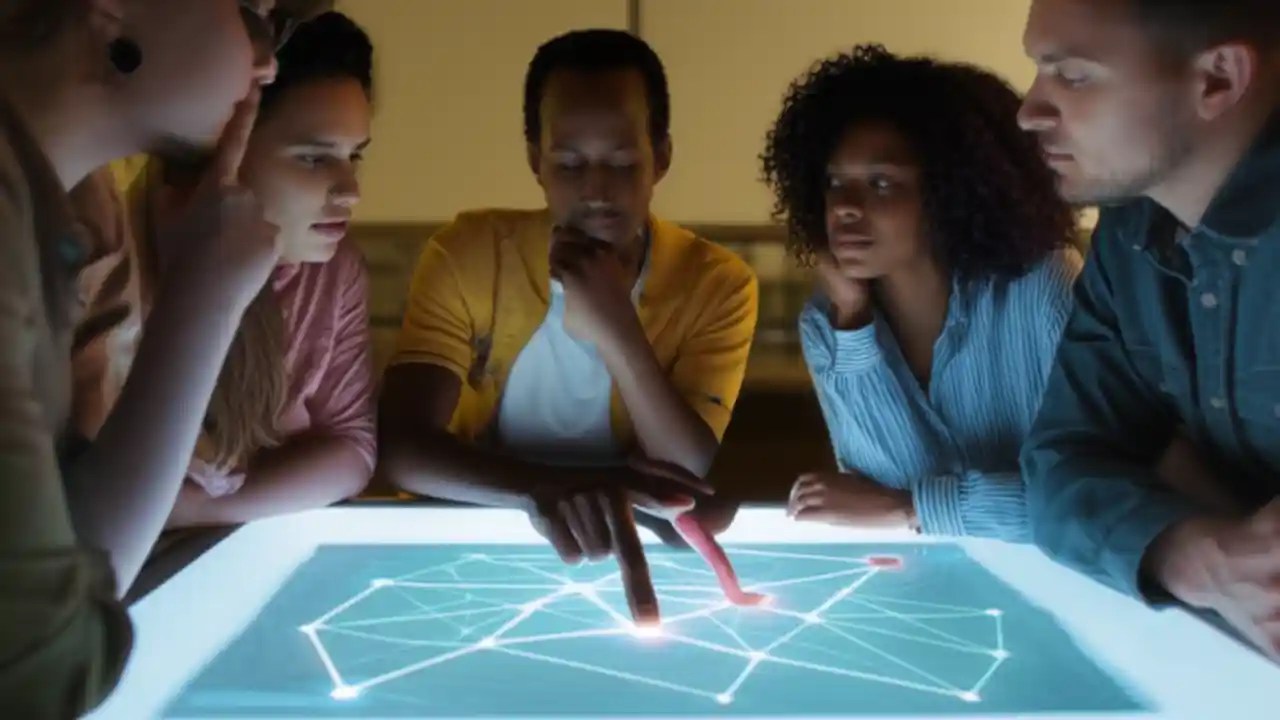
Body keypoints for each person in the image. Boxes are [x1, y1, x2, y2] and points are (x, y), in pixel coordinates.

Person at [378, 29, 759, 625]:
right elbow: (402, 450)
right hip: (470, 540)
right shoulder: (469, 253)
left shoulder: (717, 282)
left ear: (661, 155)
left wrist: (616, 324)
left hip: (614, 547)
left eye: (623, 161)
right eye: (569, 162)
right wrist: (545, 489)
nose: (596, 190)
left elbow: (687, 465)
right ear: (535, 159)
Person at [0, 0, 291, 714]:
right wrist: (204, 302)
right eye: (246, 10)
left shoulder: (72, 210)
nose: (267, 61)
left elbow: (84, 557)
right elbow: (45, 665)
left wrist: (207, 295)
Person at [1018, 0, 1280, 659]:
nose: (1029, 110)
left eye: (1072, 75)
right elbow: (1062, 460)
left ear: (1217, 78)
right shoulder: (1130, 232)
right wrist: (1195, 553)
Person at [760, 45, 1081, 541]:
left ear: (953, 191)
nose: (844, 207)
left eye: (881, 183)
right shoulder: (829, 322)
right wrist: (853, 322)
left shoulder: (1042, 287)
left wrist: (910, 508)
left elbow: (1089, 497)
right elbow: (884, 482)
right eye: (834, 182)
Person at [76, 11, 377, 534]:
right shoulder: (110, 267)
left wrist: (201, 511)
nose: (350, 190)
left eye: (355, 157)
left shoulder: (330, 269)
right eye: (313, 159)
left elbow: (352, 448)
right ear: (225, 152)